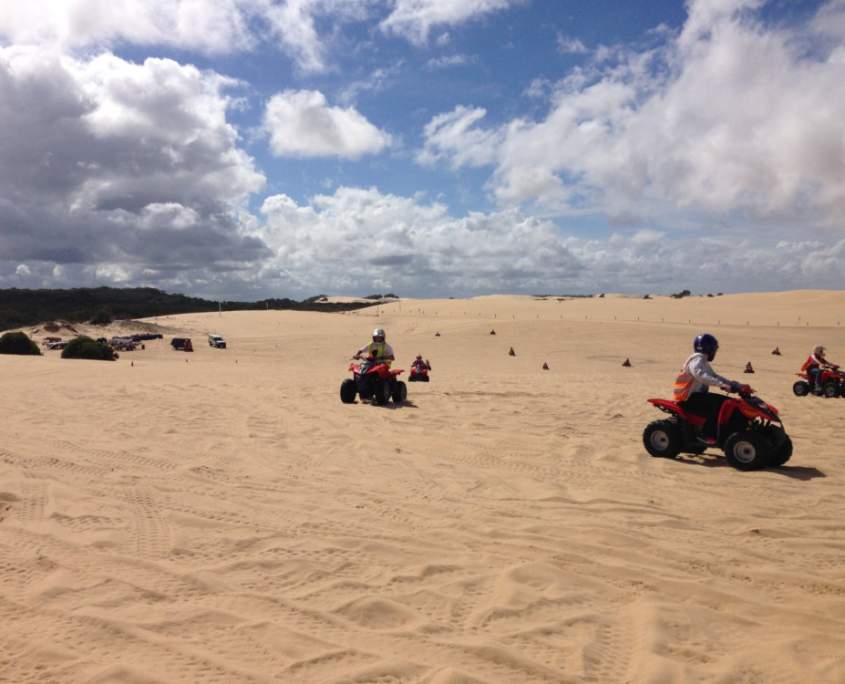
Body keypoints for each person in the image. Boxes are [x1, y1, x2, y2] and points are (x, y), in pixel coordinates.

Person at [673, 333, 750, 442]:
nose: (714, 352)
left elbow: (714, 376)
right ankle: (706, 433)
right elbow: (701, 376)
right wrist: (722, 385)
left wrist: (734, 385)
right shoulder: (696, 361)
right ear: (707, 348)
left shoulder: (702, 361)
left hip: (697, 396)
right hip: (687, 398)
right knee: (719, 404)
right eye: (714, 349)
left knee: (727, 402)